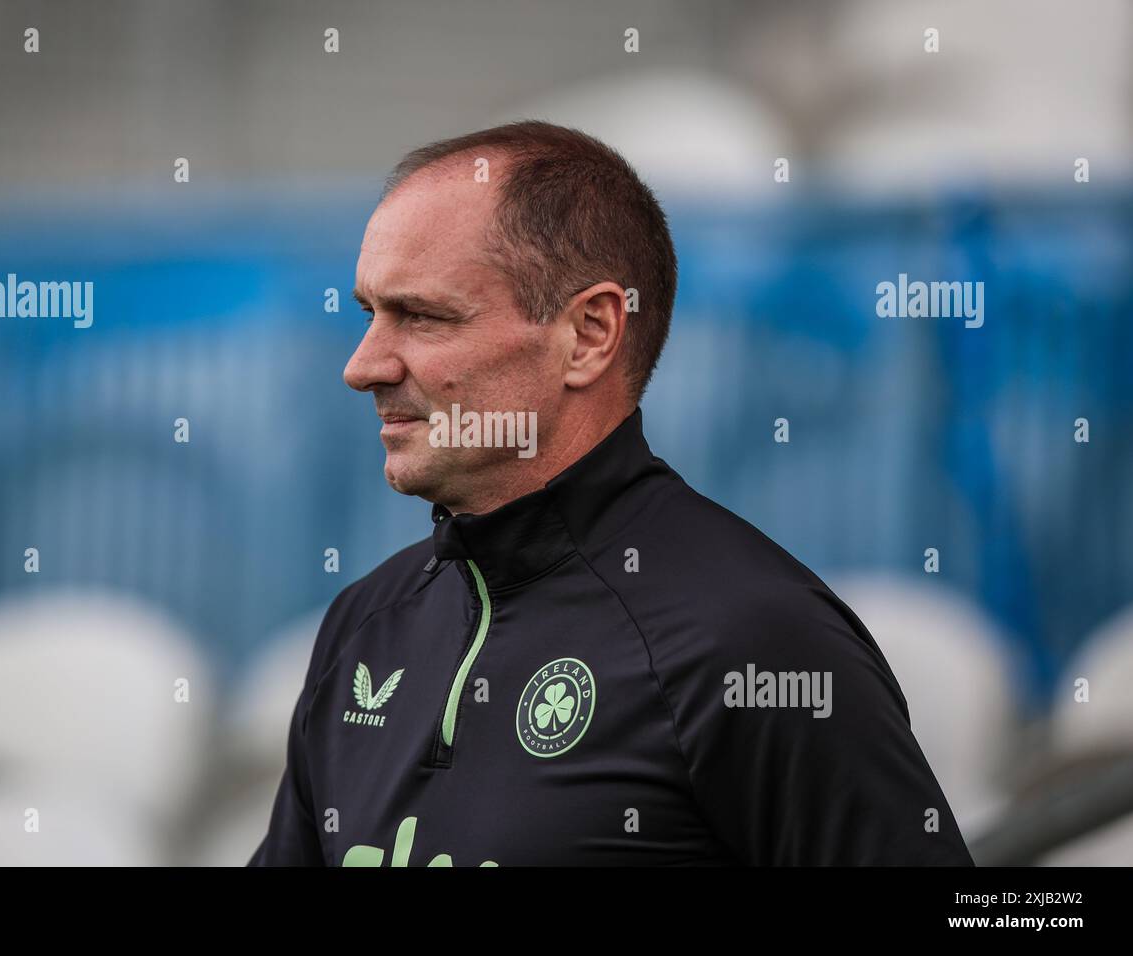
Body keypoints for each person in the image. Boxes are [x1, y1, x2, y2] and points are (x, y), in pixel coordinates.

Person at [248, 120, 974, 866]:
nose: (363, 366)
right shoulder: (364, 626)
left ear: (590, 334)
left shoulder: (752, 640)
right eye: (370, 314)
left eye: (423, 316)